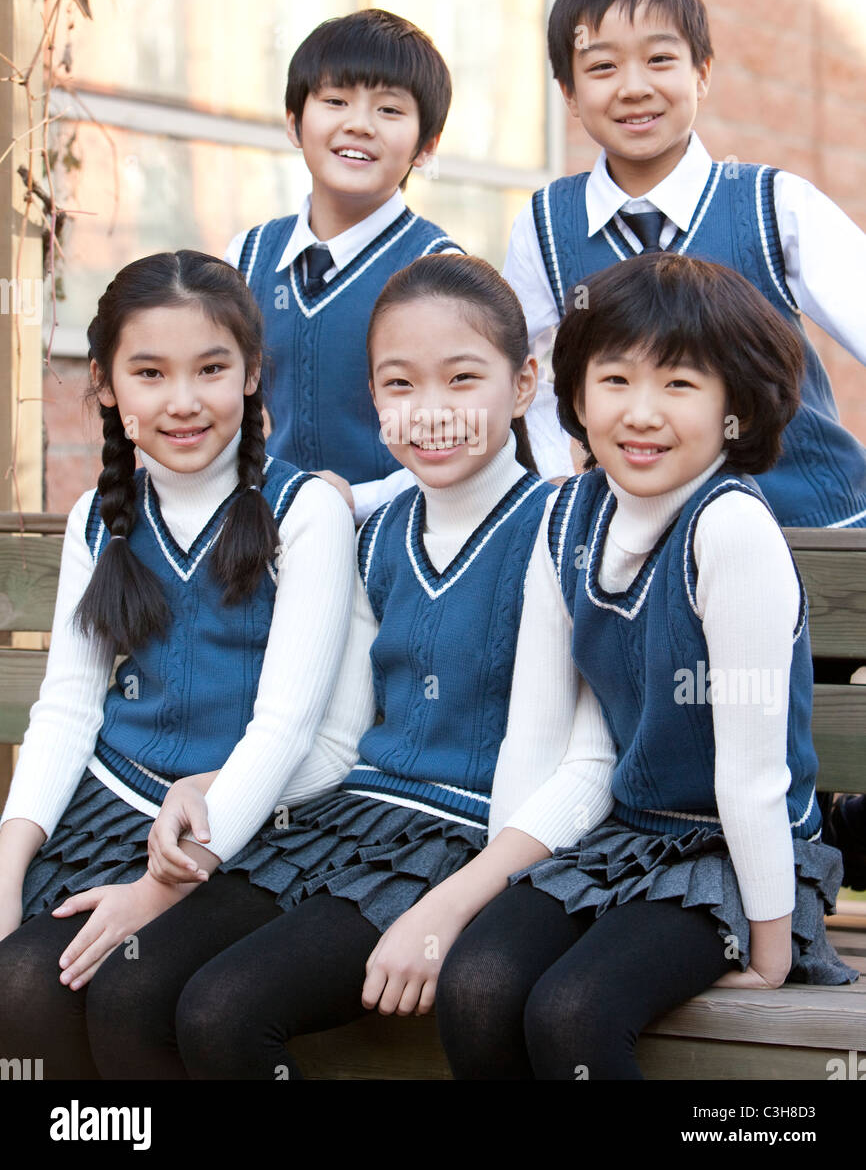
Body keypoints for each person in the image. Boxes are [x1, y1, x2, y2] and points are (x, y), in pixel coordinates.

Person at [81, 253, 612, 1080]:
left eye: (462, 379)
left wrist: (460, 909)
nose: (431, 413)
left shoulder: (561, 526)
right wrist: (213, 787)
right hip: (347, 829)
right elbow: (335, 745)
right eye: (399, 386)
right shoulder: (379, 533)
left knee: (225, 1012)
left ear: (523, 385)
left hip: (472, 843)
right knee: (131, 986)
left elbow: (577, 760)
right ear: (373, 399)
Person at [435, 251, 857, 1082]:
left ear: (736, 402)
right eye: (616, 379)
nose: (641, 413)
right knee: (477, 984)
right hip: (623, 844)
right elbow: (562, 746)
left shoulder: (728, 531)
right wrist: (483, 891)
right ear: (578, 395)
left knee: (573, 1015)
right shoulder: (566, 518)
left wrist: (775, 952)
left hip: (739, 858)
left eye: (680, 385)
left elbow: (751, 777)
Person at [503, 0, 866, 881]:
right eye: (602, 66)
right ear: (567, 89)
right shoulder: (544, 228)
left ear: (703, 70)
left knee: (799, 756)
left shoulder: (772, 202)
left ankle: (796, 890)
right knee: (674, 767)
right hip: (650, 568)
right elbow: (535, 382)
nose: (635, 87)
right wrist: (567, 484)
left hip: (812, 541)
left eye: (661, 59)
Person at [0, 250, 356, 1078]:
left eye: (212, 369)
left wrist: (154, 893)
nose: (184, 401)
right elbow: (67, 705)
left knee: (134, 989)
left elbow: (286, 729)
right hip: (111, 809)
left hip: (247, 828)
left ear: (252, 373)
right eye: (150, 372)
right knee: (20, 987)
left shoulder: (304, 514)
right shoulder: (101, 515)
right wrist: (9, 862)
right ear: (106, 383)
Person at [225, 7, 462, 527]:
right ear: (294, 122)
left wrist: (357, 500)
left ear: (426, 147)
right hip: (266, 546)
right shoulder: (246, 256)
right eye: (335, 101)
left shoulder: (437, 271)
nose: (358, 124)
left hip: (396, 550)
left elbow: (467, 437)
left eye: (390, 110)